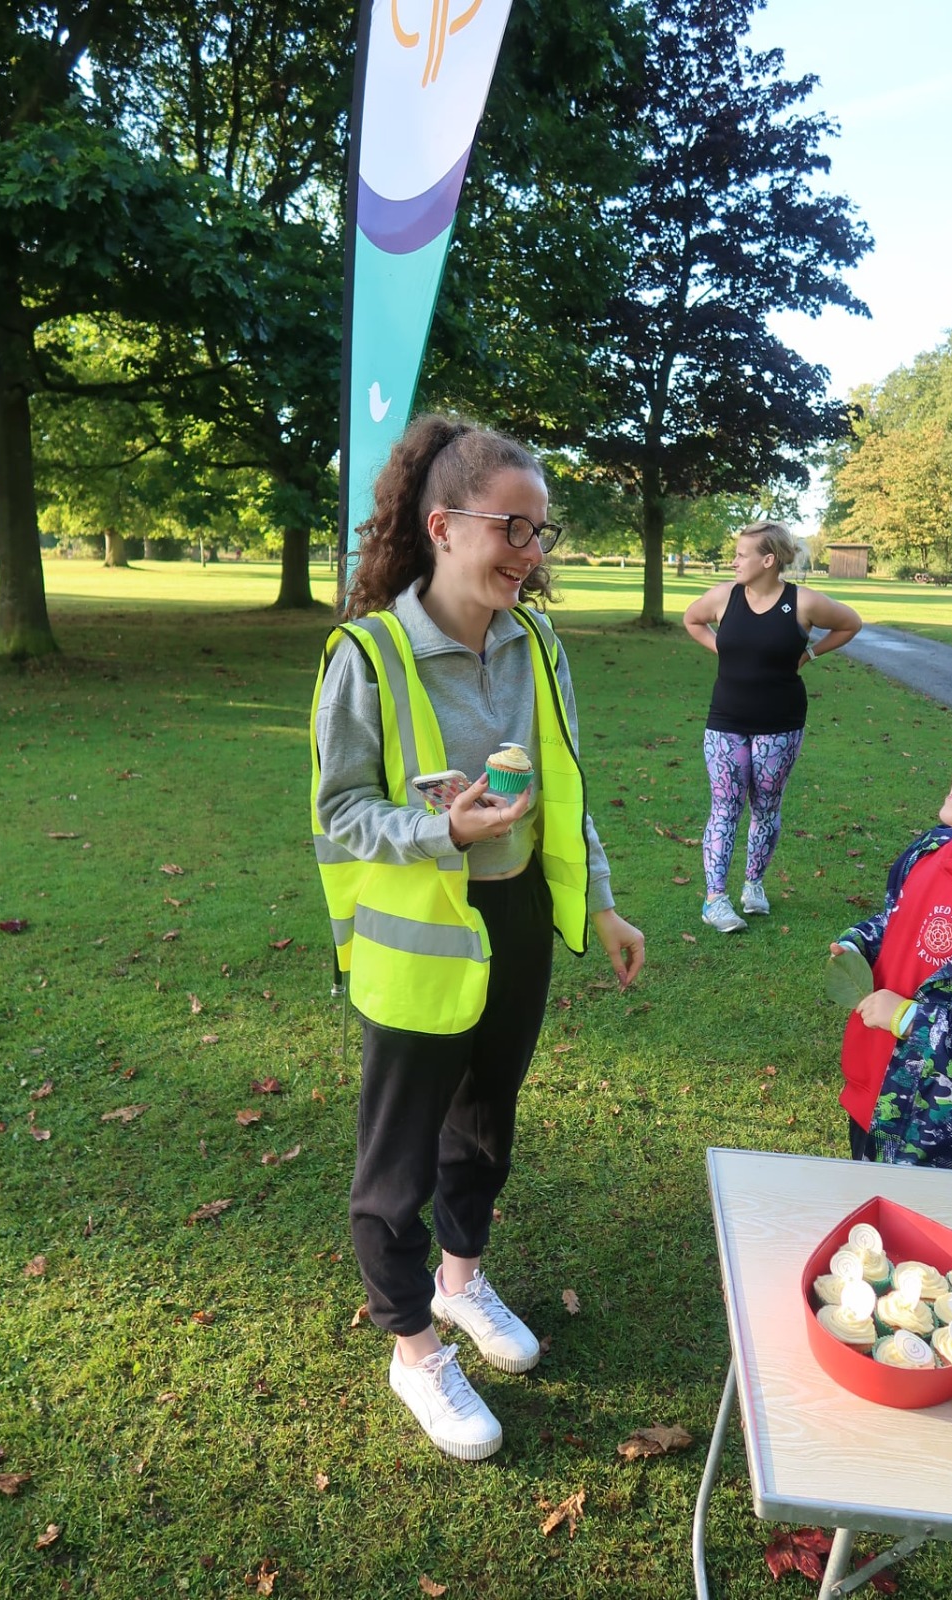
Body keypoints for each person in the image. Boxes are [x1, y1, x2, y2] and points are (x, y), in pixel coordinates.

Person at [310, 415, 645, 1460]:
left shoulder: (536, 642)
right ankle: (413, 1347)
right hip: (418, 930)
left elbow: (567, 788)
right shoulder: (368, 653)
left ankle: (460, 1283)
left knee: (485, 1121)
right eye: (515, 527)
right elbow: (339, 814)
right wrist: (439, 828)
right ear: (445, 524)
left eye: (542, 532)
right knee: (397, 1156)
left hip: (516, 922)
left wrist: (596, 899)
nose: (532, 552)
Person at [831, 715, 952, 1174]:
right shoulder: (930, 853)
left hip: (941, 1142)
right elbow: (900, 921)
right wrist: (862, 941)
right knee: (868, 1216)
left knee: (917, 1241)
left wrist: (911, 1019)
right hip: (872, 1090)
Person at [682, 523, 861, 932]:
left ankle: (753, 886)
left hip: (780, 724)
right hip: (725, 722)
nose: (734, 561)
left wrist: (810, 654)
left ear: (768, 560)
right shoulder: (724, 597)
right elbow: (692, 620)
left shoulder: (803, 603)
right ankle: (715, 899)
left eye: (742, 554)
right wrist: (721, 648)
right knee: (725, 808)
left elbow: (851, 624)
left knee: (766, 807)